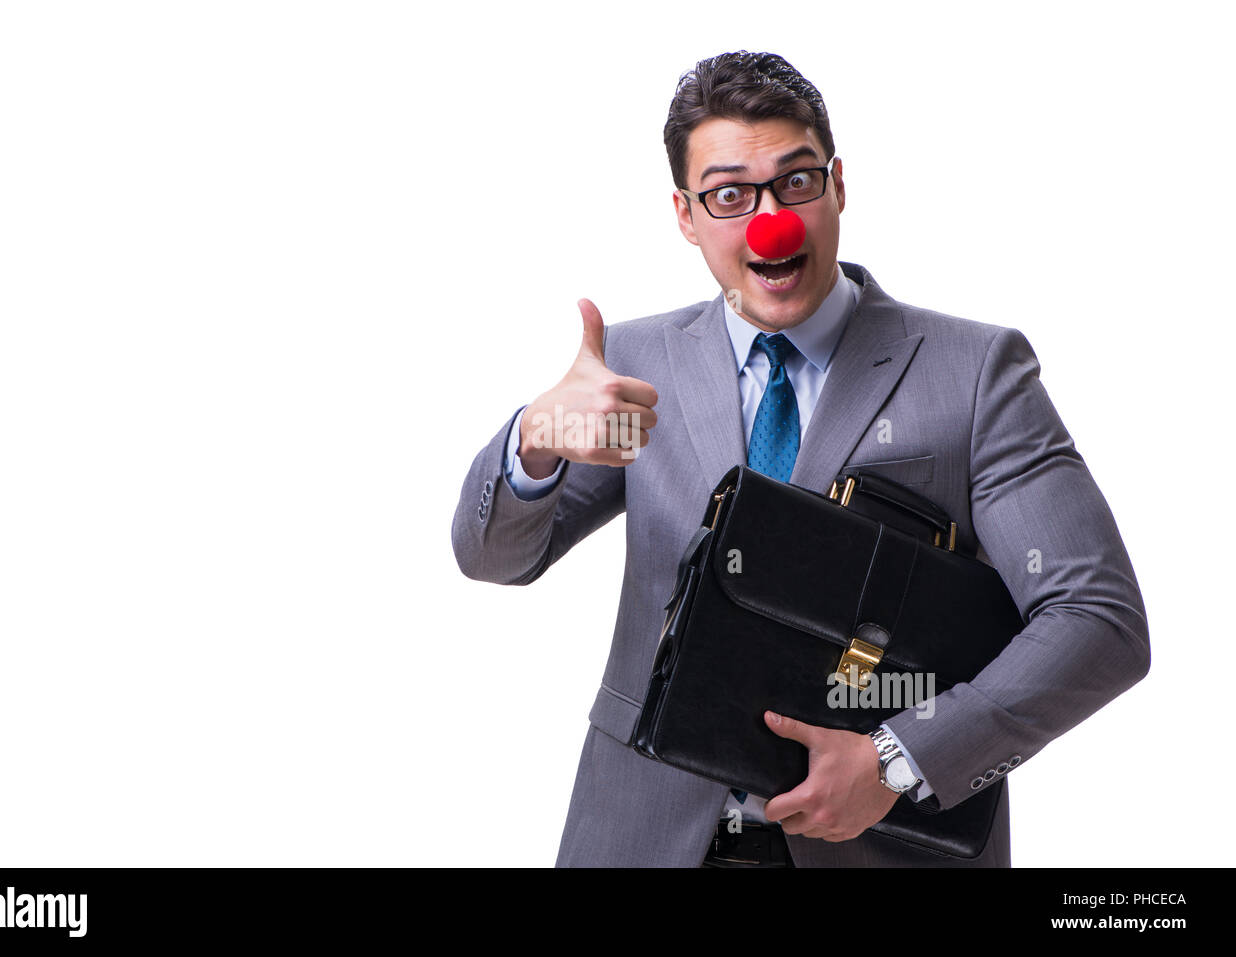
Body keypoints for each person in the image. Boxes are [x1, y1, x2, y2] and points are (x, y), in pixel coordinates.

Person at [451, 50, 1149, 867]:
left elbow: (1097, 620)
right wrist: (533, 440)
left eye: (795, 182)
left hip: (880, 845)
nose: (768, 219)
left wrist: (898, 759)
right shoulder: (635, 369)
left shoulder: (973, 373)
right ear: (685, 213)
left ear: (839, 186)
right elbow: (494, 557)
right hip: (644, 838)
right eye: (729, 194)